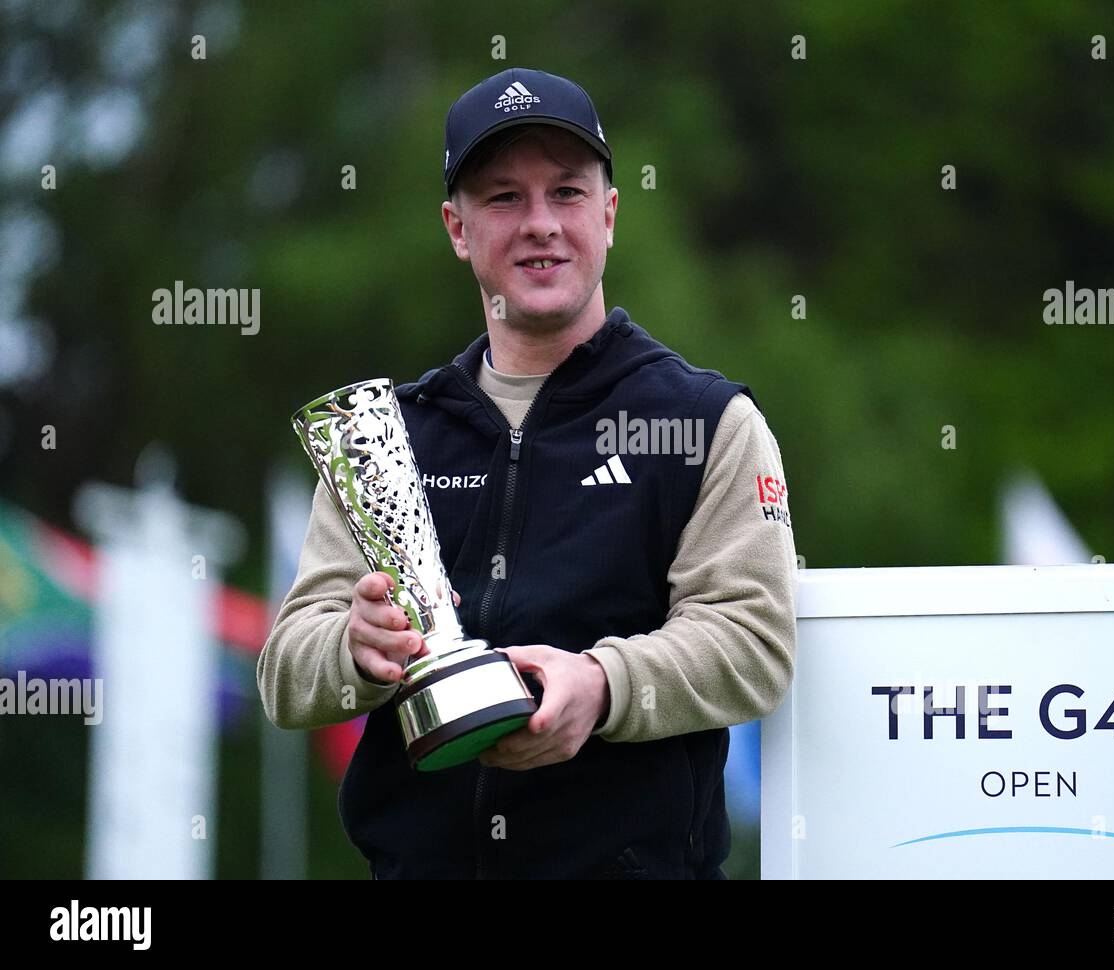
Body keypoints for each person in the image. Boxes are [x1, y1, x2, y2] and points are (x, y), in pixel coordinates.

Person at [257, 67, 798, 879]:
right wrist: (354, 646)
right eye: (504, 197)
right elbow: (285, 675)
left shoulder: (707, 421)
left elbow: (754, 642)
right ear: (456, 228)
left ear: (609, 215)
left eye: (568, 193)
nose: (540, 223)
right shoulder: (386, 440)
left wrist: (602, 685)